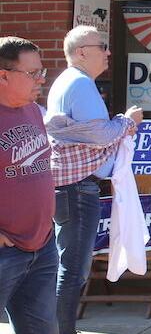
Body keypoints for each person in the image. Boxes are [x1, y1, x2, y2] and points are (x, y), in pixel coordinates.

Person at [47, 26, 142, 334]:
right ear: (82, 52)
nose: (108, 52)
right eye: (103, 46)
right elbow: (100, 134)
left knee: (67, 265)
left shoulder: (69, 82)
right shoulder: (79, 83)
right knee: (72, 269)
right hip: (76, 188)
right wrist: (128, 121)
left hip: (69, 187)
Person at [0, 37, 58, 334]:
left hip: (43, 245)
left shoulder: (33, 110)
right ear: (3, 75)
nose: (41, 80)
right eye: (32, 73)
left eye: (41, 72)